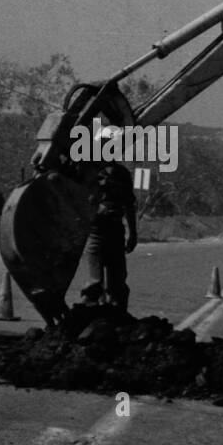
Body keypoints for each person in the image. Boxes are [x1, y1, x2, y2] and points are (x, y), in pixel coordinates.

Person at [79, 124, 138, 312]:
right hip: (95, 230)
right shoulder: (89, 171)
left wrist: (133, 232)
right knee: (94, 283)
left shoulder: (122, 174)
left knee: (117, 283)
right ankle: (89, 319)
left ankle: (118, 318)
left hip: (115, 231)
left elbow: (129, 205)